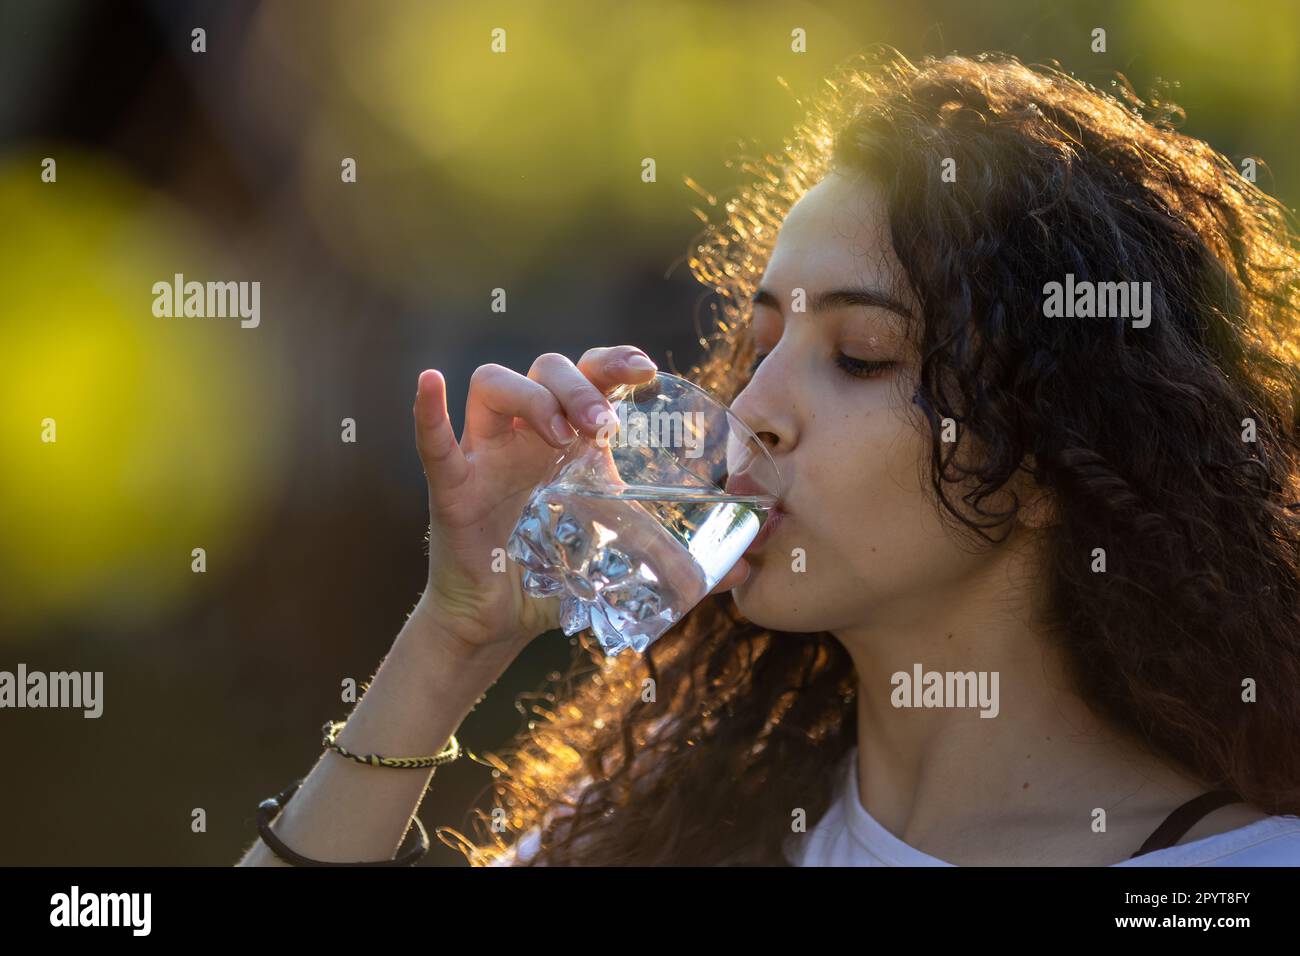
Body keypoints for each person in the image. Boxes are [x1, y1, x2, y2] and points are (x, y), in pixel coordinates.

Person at [238, 50, 1300, 867]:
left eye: (859, 355)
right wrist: (451, 641)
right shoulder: (661, 827)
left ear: (1051, 453)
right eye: (755, 346)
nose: (750, 409)